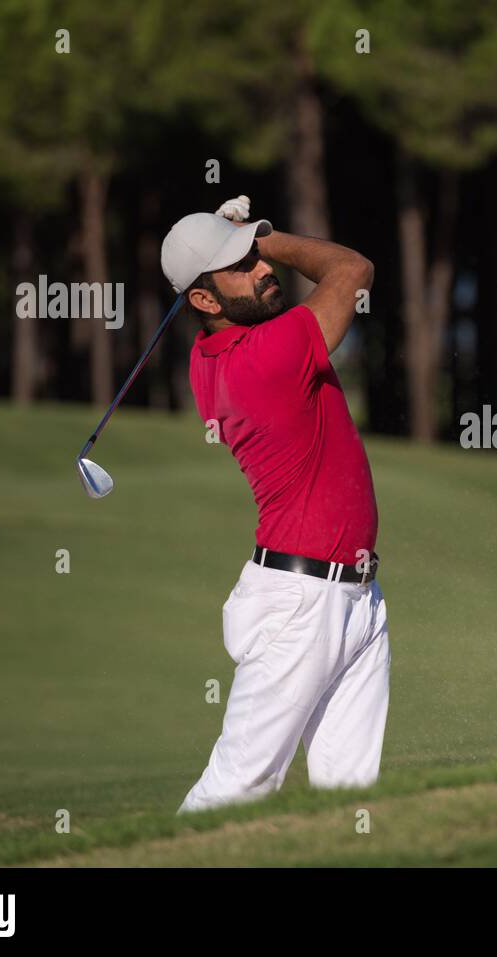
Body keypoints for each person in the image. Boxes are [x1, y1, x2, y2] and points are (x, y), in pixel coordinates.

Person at [160, 196, 390, 813]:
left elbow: (239, 302)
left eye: (255, 258)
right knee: (236, 790)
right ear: (204, 302)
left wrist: (225, 242)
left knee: (351, 803)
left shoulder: (208, 359)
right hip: (301, 605)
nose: (263, 269)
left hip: (352, 596)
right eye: (243, 266)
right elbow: (353, 271)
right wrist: (264, 235)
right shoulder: (270, 356)